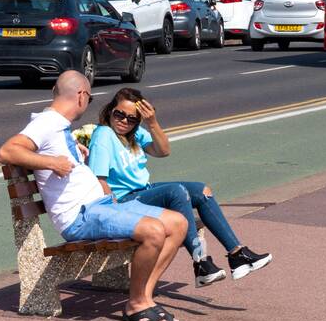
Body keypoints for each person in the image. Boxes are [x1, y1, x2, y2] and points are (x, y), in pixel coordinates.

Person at [0, 72, 187, 321]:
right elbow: (7, 151)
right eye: (90, 98)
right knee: (153, 231)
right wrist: (51, 163)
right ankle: (136, 304)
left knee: (178, 223)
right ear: (81, 96)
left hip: (101, 206)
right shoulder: (47, 122)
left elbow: (53, 149)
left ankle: (144, 298)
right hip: (81, 216)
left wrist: (74, 152)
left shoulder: (58, 125)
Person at [88, 89, 273, 286]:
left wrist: (152, 122)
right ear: (110, 110)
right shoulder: (104, 135)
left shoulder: (134, 134)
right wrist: (115, 213)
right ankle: (200, 262)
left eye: (132, 119)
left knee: (201, 191)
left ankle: (237, 254)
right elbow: (99, 180)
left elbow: (163, 151)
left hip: (143, 191)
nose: (124, 121)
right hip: (124, 200)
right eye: (119, 114)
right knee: (176, 191)